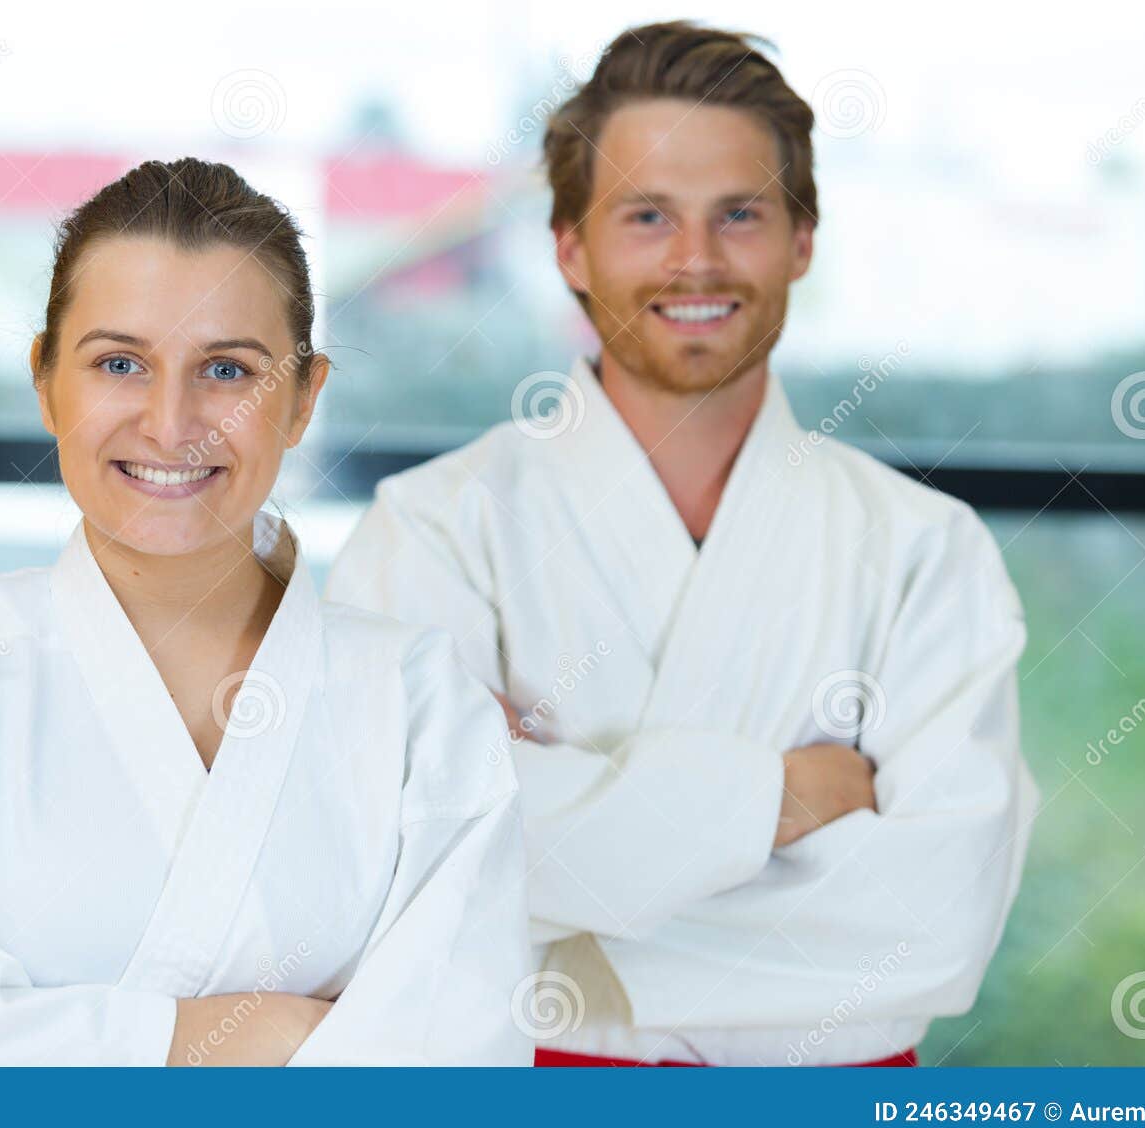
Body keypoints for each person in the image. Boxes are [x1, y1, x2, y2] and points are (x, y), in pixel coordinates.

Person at [326, 22, 1037, 1067]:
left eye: (738, 214)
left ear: (802, 238)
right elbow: (398, 875)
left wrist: (564, 904)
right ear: (569, 244)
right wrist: (785, 799)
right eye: (647, 215)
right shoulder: (437, 528)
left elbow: (938, 920)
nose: (694, 259)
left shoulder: (927, 551)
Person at [0, 158, 532, 1066]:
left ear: (304, 399)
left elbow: (454, 1067)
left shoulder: (422, 699)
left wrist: (50, 1040)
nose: (170, 422)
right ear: (44, 379)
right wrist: (271, 1031)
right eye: (119, 363)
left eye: (227, 370)